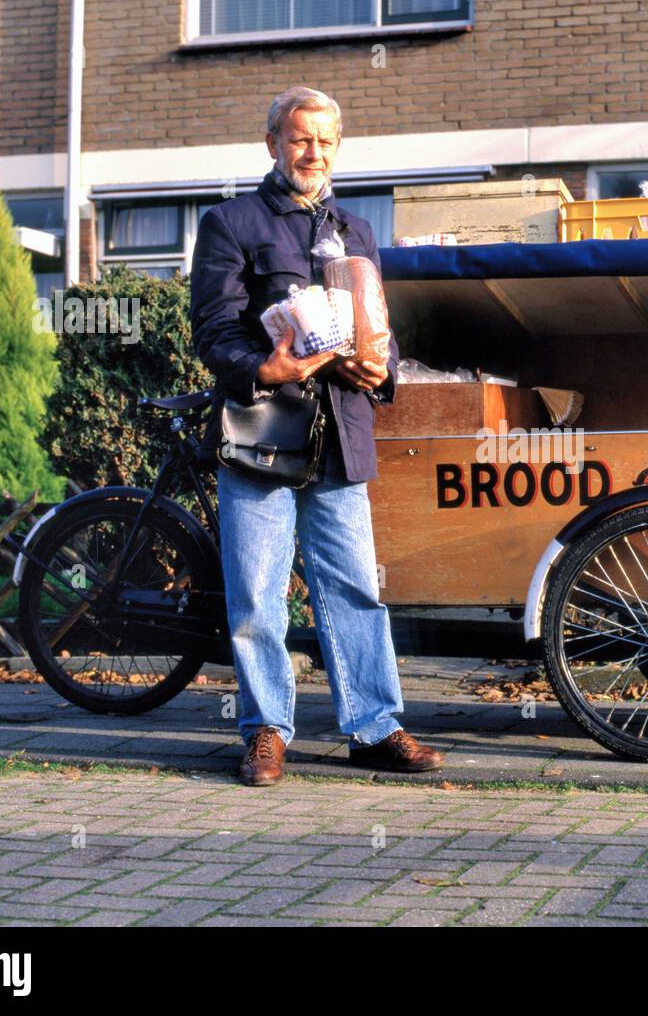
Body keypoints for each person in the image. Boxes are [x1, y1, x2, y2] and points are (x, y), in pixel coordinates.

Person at [189, 86, 444, 785]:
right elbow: (212, 329)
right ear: (273, 143)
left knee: (357, 589)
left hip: (341, 437)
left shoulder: (356, 231)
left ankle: (374, 727)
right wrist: (258, 366)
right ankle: (266, 730)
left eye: (326, 141)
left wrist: (379, 367)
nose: (314, 153)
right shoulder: (230, 222)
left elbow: (379, 329)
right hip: (262, 434)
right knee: (258, 597)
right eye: (301, 139)